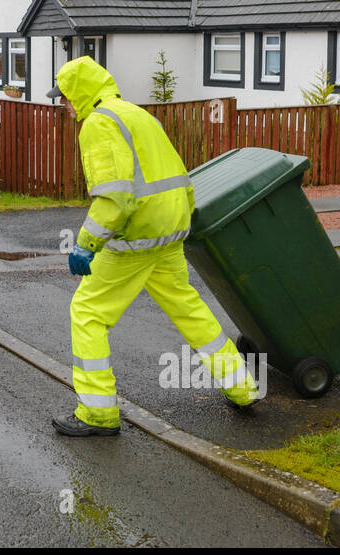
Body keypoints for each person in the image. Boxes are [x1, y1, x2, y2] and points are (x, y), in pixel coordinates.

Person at [48, 56, 258, 437]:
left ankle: (97, 413)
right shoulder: (137, 115)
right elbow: (176, 172)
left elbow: (115, 198)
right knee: (190, 310)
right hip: (170, 229)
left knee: (88, 312)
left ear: (76, 92)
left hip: (136, 235)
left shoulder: (98, 123)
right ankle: (242, 388)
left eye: (62, 97)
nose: (62, 105)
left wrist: (86, 244)